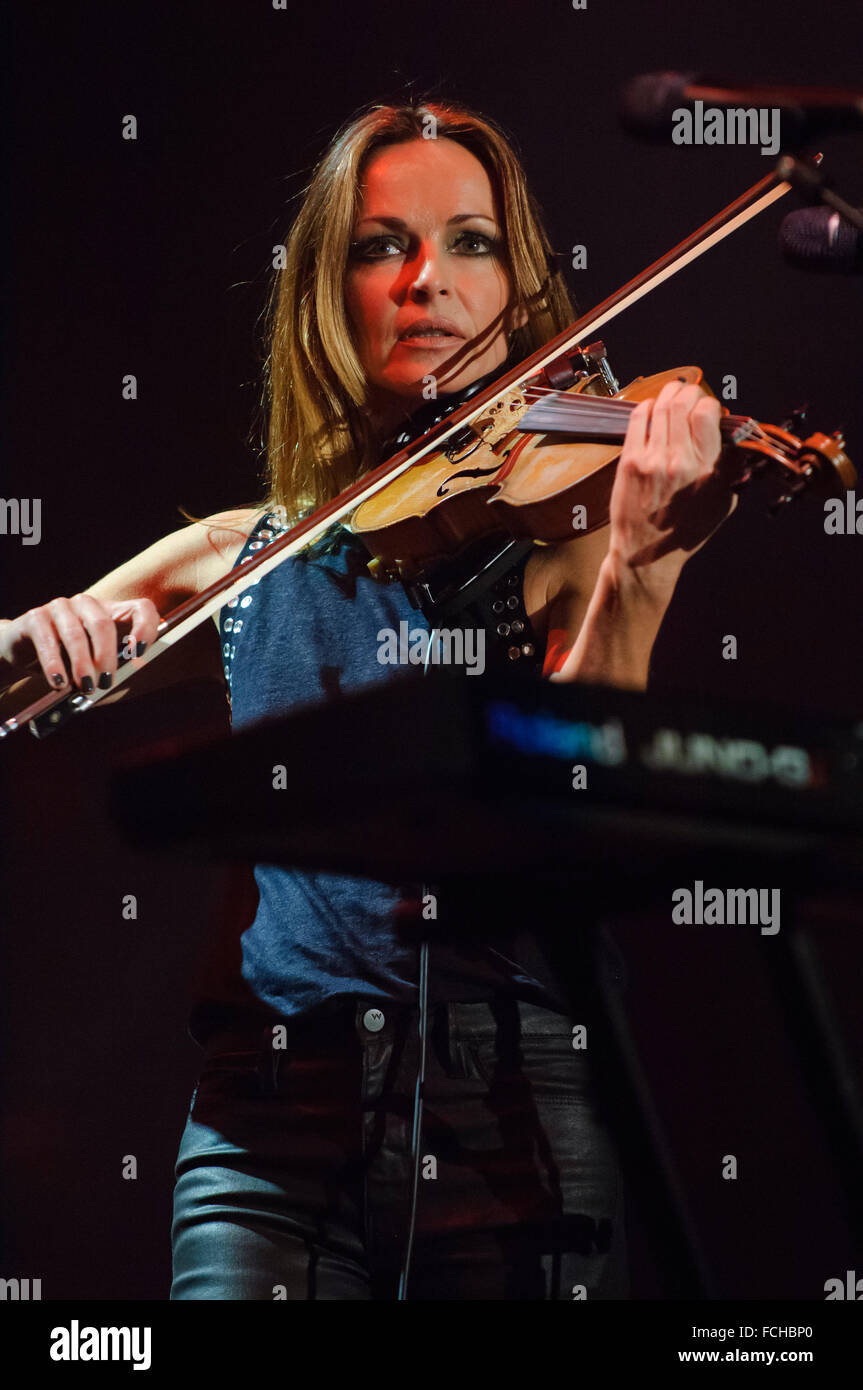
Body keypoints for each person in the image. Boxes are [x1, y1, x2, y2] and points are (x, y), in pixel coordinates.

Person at [0, 101, 735, 1299]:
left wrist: (642, 566)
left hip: (515, 1107)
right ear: (325, 292)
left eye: (471, 243)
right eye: (380, 244)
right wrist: (36, 635)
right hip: (267, 1127)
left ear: (522, 286)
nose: (425, 281)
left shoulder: (578, 528)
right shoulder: (253, 554)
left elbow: (583, 809)